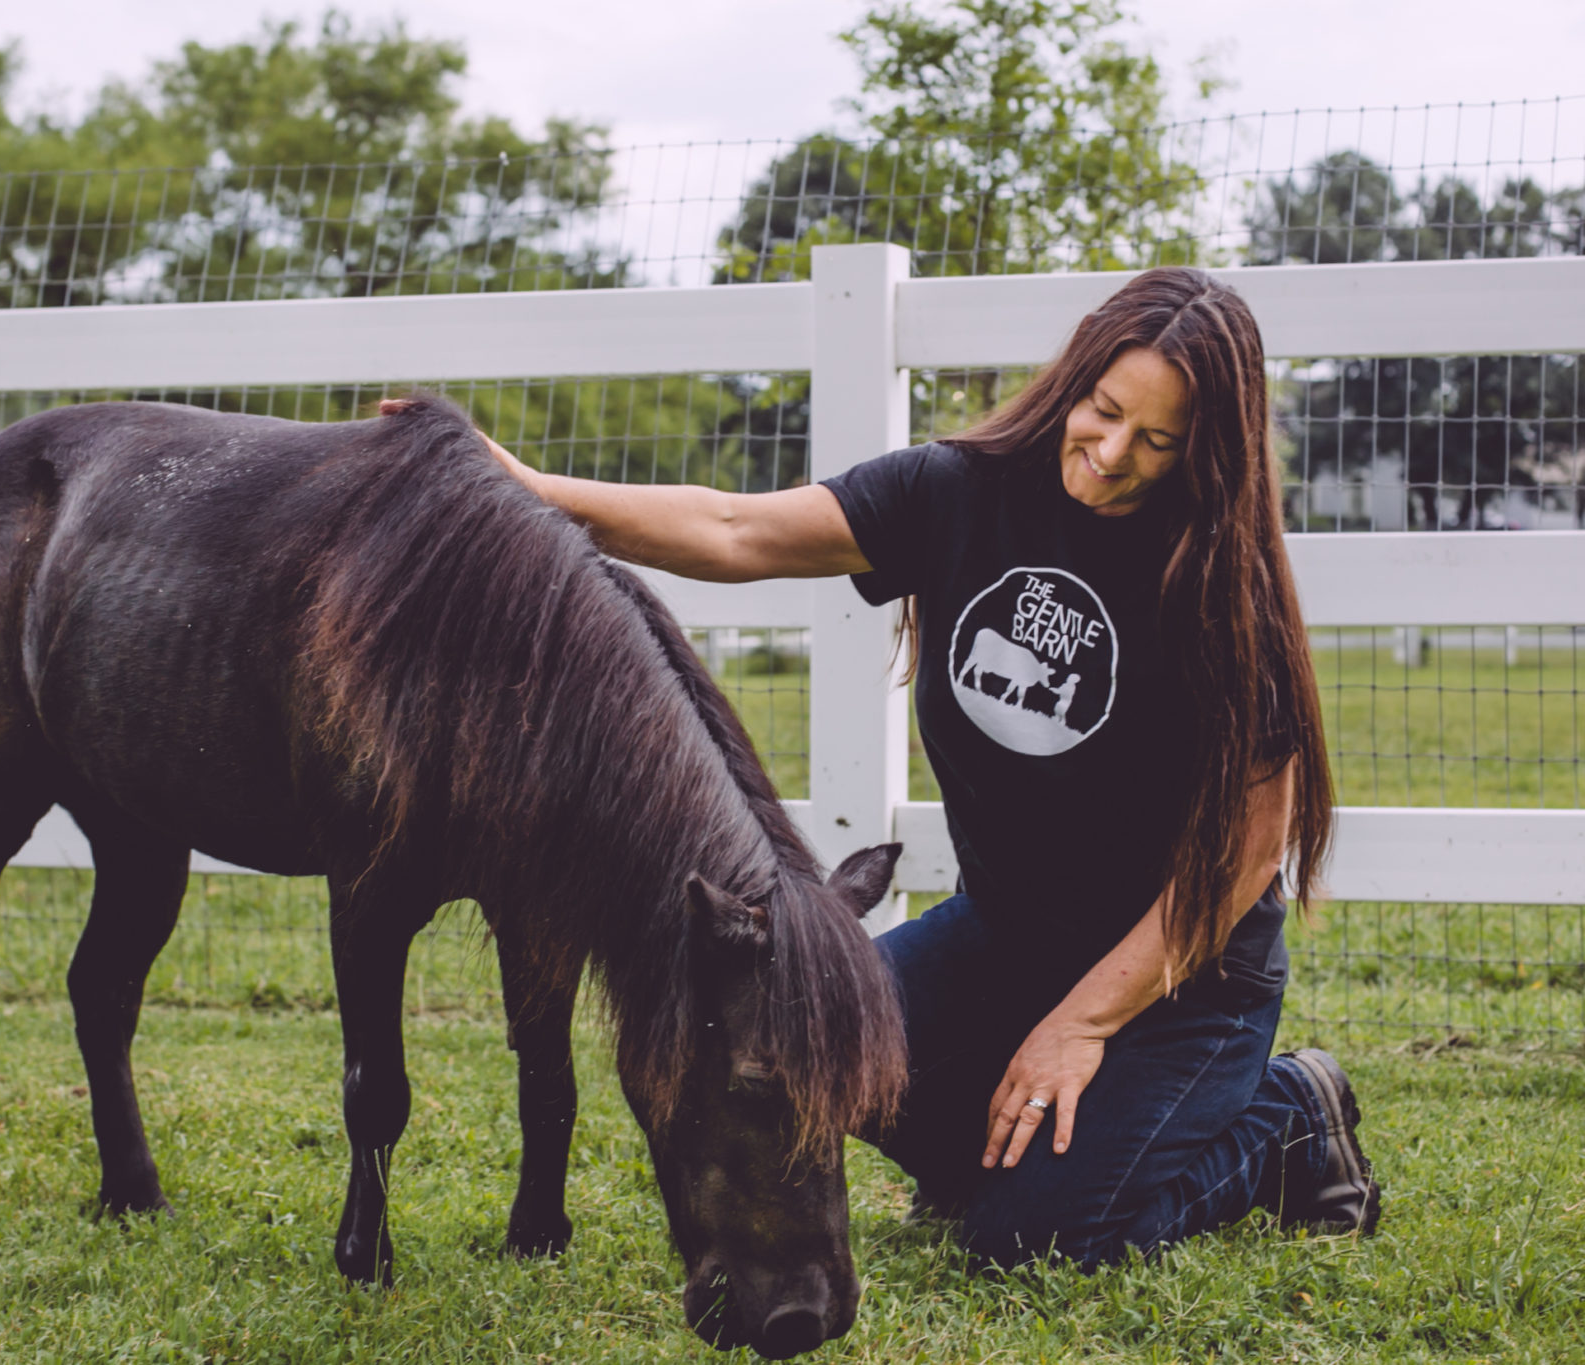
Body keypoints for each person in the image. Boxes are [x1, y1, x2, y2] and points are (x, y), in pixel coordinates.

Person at [475, 266, 1380, 1269]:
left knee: (1033, 1240)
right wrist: (526, 491)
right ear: (1072, 380)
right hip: (1009, 935)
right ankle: (1009, 1160)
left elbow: (1243, 858)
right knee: (805, 1045)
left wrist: (1080, 1027)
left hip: (1182, 983)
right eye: (1104, 409)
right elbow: (735, 530)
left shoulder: (1216, 581)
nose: (1113, 453)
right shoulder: (958, 493)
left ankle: (1288, 1122)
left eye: (1158, 442)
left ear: (1203, 451)